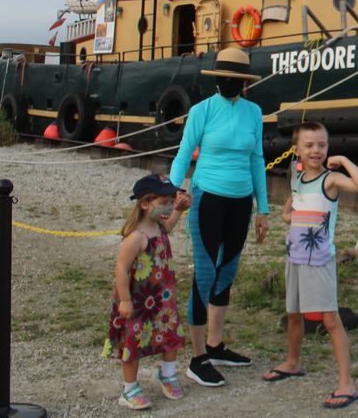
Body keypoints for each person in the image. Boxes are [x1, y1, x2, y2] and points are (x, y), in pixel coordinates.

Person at [168, 46, 270, 387]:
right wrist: (172, 191)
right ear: (218, 79)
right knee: (205, 274)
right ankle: (197, 359)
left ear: (244, 83)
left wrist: (263, 209)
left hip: (241, 202)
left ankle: (216, 345)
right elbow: (184, 152)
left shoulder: (253, 112)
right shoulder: (202, 111)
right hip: (208, 198)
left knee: (227, 272)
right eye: (226, 79)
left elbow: (257, 160)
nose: (232, 84)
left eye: (237, 80)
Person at [262, 121, 358, 409]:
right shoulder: (297, 180)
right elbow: (292, 212)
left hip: (319, 262)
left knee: (330, 320)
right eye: (309, 145)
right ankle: (293, 362)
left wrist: (345, 161)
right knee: (294, 314)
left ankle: (347, 383)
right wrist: (288, 214)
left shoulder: (330, 180)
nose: (316, 150)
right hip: (294, 258)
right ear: (297, 150)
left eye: (322, 144)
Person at [103, 173, 192, 410]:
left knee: (170, 333)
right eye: (164, 203)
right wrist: (124, 300)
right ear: (144, 204)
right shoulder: (136, 237)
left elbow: (170, 226)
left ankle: (168, 374)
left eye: (171, 201)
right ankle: (129, 388)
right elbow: (121, 268)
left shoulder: (159, 226)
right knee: (132, 343)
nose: (169, 206)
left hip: (162, 298)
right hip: (138, 301)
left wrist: (179, 210)